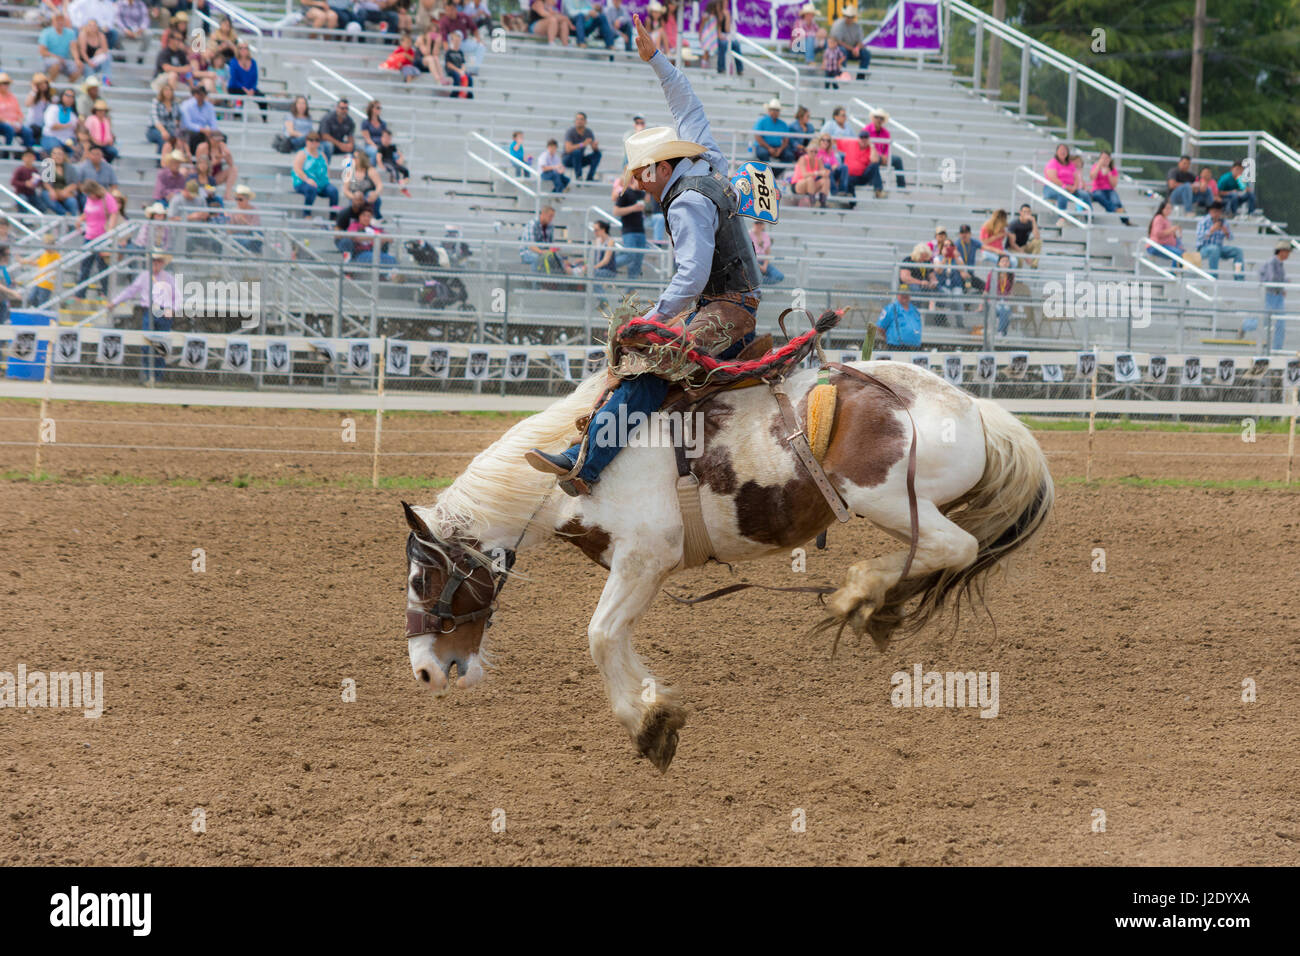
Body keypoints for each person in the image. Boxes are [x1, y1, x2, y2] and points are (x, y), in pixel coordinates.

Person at [525, 15, 762, 496]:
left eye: (641, 173)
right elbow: (686, 100)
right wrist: (656, 59)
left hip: (723, 307)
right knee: (656, 356)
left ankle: (584, 464)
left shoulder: (687, 202)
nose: (636, 182)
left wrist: (652, 320)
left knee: (657, 361)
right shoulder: (708, 160)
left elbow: (693, 274)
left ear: (661, 167)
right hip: (731, 303)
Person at [110, 254, 177, 384]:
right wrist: (115, 302)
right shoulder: (144, 276)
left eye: (158, 261)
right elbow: (130, 291)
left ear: (163, 263)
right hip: (149, 311)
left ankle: (157, 378)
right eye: (154, 261)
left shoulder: (168, 278)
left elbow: (176, 296)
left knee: (161, 347)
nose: (156, 264)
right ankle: (147, 376)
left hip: (164, 313)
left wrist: (172, 309)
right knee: (147, 344)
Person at [76, 179, 121, 296]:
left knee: (102, 267)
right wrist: (80, 219)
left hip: (102, 237)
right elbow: (88, 212)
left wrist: (110, 230)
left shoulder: (106, 198)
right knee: (85, 266)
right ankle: (80, 294)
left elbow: (114, 212)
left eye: (89, 193)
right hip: (89, 236)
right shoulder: (89, 199)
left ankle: (106, 293)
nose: (89, 196)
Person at [612, 169, 648, 281]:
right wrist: (633, 208)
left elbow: (649, 207)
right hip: (629, 230)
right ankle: (607, 265)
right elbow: (616, 211)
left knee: (637, 261)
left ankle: (630, 290)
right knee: (630, 256)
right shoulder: (625, 192)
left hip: (640, 230)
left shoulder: (642, 194)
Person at [291, 132, 339, 216]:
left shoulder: (322, 154)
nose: (314, 142)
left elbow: (326, 168)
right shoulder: (302, 154)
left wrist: (326, 180)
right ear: (307, 141)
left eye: (316, 140)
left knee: (333, 191)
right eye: (311, 140)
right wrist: (307, 179)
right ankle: (307, 214)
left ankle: (333, 217)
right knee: (311, 189)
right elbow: (297, 169)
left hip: (321, 183)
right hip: (304, 183)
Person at [1195, 201, 1245, 280]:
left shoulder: (1224, 222)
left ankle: (1239, 277)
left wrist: (1226, 232)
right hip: (1204, 248)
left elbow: (1230, 238)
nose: (1217, 214)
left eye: (1219, 212)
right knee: (1214, 249)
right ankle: (1214, 276)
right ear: (1210, 211)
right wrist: (1211, 231)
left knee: (1238, 251)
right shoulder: (1203, 221)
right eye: (1215, 212)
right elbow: (1199, 238)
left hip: (1219, 248)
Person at [1255, 241, 1290, 351]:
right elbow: (1271, 279)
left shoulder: (1279, 263)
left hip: (1277, 296)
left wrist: (1281, 287)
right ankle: (1246, 325)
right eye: (1287, 252)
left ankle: (1276, 349)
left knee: (1281, 323)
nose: (1288, 254)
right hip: (1270, 296)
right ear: (1282, 251)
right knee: (1264, 320)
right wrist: (1283, 283)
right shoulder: (1272, 263)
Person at [862, 109, 904, 190]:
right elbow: (863, 146)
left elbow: (887, 147)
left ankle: (901, 186)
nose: (879, 120)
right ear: (873, 118)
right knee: (875, 160)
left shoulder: (886, 132)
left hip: (882, 156)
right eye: (877, 117)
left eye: (881, 118)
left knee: (897, 160)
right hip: (870, 156)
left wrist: (885, 155)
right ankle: (876, 185)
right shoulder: (866, 130)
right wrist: (880, 155)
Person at [1043, 143, 1088, 218]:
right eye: (1061, 150)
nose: (1063, 152)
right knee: (1063, 193)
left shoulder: (1070, 164)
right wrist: (1066, 187)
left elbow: (1076, 177)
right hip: (1053, 188)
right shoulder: (1053, 163)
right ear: (1057, 152)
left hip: (1070, 188)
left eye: (1065, 150)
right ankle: (1062, 218)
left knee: (1084, 194)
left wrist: (1074, 187)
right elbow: (1053, 179)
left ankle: (1089, 217)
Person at [518, 204, 568, 273]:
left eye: (553, 216)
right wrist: (542, 252)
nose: (551, 219)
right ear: (543, 214)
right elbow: (531, 245)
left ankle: (555, 281)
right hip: (528, 252)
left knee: (559, 258)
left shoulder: (550, 226)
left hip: (543, 252)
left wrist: (553, 251)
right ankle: (536, 282)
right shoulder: (532, 224)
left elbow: (550, 244)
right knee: (537, 258)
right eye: (550, 216)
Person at [836, 127, 883, 199]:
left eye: (866, 137)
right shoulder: (851, 143)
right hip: (850, 176)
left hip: (863, 177)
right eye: (862, 137)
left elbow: (875, 161)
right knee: (847, 180)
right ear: (858, 138)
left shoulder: (870, 148)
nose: (863, 139)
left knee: (874, 165)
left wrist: (872, 146)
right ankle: (851, 202)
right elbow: (836, 141)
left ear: (868, 139)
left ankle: (878, 190)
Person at [227, 42, 268, 122]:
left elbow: (255, 79)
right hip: (236, 87)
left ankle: (264, 118)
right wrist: (244, 89)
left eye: (246, 48)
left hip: (250, 88)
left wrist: (252, 89)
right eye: (241, 48)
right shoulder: (233, 62)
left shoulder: (253, 62)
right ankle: (237, 116)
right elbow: (234, 79)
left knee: (262, 97)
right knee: (239, 97)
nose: (243, 50)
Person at [1087, 150, 1130, 224]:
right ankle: (1113, 209)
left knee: (1116, 201)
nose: (1104, 160)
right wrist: (1098, 166)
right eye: (1103, 158)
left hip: (1110, 190)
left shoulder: (1113, 170)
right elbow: (1092, 177)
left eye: (1106, 158)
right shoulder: (1095, 167)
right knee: (1098, 195)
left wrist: (1109, 173)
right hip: (1097, 190)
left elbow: (1114, 185)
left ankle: (1125, 220)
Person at [40, 13, 84, 82]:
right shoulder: (46, 32)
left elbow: (73, 48)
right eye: (58, 20)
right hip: (49, 59)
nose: (60, 22)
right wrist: (57, 57)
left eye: (62, 20)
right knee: (56, 64)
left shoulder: (70, 33)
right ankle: (50, 84)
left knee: (79, 67)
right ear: (53, 21)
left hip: (64, 60)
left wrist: (77, 59)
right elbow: (42, 51)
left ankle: (69, 87)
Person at [829, 3, 869, 79]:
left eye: (851, 17)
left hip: (852, 50)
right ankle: (842, 74)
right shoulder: (839, 25)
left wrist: (856, 49)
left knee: (866, 54)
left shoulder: (857, 27)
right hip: (843, 49)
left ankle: (861, 76)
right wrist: (853, 49)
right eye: (848, 16)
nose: (849, 18)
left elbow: (860, 41)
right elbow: (838, 41)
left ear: (853, 17)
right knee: (842, 51)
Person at [342, 149, 384, 218]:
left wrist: (375, 193)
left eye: (355, 158)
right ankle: (354, 220)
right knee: (354, 201)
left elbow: (379, 185)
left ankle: (376, 218)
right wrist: (354, 197)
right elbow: (345, 190)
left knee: (375, 197)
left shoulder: (370, 170)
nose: (353, 159)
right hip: (355, 197)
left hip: (368, 197)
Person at [753, 98, 795, 166]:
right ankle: (771, 172)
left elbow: (786, 140)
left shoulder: (783, 124)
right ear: (769, 110)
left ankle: (773, 173)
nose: (775, 112)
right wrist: (769, 148)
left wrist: (780, 149)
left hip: (777, 147)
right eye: (773, 110)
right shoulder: (762, 121)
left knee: (789, 156)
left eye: (777, 110)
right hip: (763, 146)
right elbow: (758, 137)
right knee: (763, 154)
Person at [179, 84, 219, 153]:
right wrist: (202, 129)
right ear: (194, 94)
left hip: (205, 131)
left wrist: (212, 130)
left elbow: (213, 123)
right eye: (198, 94)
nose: (200, 96)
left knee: (220, 136)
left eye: (202, 94)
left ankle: (215, 157)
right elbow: (187, 124)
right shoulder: (186, 105)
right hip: (190, 130)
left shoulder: (209, 106)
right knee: (197, 136)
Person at [41, 145, 80, 215]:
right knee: (47, 195)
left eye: (59, 154)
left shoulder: (70, 167)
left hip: (66, 192)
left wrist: (66, 190)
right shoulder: (47, 167)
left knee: (72, 201)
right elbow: (45, 182)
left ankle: (73, 222)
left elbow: (75, 183)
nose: (57, 156)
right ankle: (65, 214)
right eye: (54, 154)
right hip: (53, 192)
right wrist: (51, 190)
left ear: (63, 155)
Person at [563, 111, 601, 182]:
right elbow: (568, 149)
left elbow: (594, 149)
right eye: (577, 119)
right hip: (568, 159)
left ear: (585, 121)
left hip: (579, 160)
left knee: (598, 154)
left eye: (581, 119)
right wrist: (582, 144)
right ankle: (579, 177)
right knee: (577, 152)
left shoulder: (588, 132)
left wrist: (595, 146)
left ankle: (590, 177)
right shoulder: (570, 131)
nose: (579, 121)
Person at [0, 74, 35, 150]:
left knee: (28, 131)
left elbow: (19, 113)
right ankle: (6, 152)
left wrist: (18, 124)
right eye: (4, 83)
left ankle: (26, 154)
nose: (7, 86)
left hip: (13, 124)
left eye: (7, 83)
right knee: (9, 129)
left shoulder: (12, 97)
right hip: (2, 124)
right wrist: (9, 122)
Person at [147, 83, 182, 155]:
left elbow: (178, 118)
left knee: (180, 141)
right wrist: (163, 131)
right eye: (166, 90)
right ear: (162, 92)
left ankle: (175, 161)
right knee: (163, 138)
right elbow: (155, 119)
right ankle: (161, 162)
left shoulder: (175, 104)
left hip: (171, 129)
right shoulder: (156, 102)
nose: (168, 92)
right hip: (155, 129)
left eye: (170, 90)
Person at [41, 87, 80, 153]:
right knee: (58, 151)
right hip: (51, 137)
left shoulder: (73, 113)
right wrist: (68, 125)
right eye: (67, 96)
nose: (70, 99)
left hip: (68, 139)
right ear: (62, 96)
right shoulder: (53, 108)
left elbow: (75, 130)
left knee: (79, 149)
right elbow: (52, 126)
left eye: (72, 97)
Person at [791, 142, 829, 207]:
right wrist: (818, 172)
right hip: (798, 184)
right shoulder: (803, 158)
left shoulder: (818, 160)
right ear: (807, 151)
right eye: (811, 151)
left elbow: (823, 173)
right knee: (810, 179)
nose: (814, 153)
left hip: (810, 186)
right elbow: (804, 175)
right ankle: (812, 203)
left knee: (826, 180)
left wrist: (826, 172)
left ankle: (823, 203)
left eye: (816, 152)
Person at [1146, 198, 1183, 263]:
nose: (1169, 210)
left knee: (1182, 253)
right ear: (1162, 209)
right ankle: (1174, 272)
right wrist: (1172, 229)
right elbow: (1158, 233)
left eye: (1170, 208)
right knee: (1178, 254)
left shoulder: (1166, 219)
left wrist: (1175, 233)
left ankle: (1176, 271)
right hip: (1156, 245)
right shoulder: (1159, 218)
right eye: (1167, 208)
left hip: (1165, 245)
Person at [318, 97, 354, 162]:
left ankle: (350, 169)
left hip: (339, 143)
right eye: (342, 108)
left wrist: (350, 144)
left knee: (356, 148)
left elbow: (350, 136)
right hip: (324, 143)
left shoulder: (349, 120)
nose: (344, 110)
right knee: (328, 146)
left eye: (346, 108)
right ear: (337, 108)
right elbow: (324, 136)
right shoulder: (328, 118)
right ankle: (326, 167)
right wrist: (340, 144)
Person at [590, 218, 617, 304]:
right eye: (594, 230)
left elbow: (606, 260)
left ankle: (603, 299)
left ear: (603, 230)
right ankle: (601, 300)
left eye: (596, 230)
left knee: (591, 274)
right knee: (588, 274)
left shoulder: (610, 241)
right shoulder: (596, 241)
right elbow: (592, 257)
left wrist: (592, 268)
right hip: (598, 269)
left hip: (608, 270)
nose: (595, 232)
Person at [116, 0, 152, 66]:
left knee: (149, 34)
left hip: (138, 29)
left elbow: (145, 18)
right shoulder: (120, 3)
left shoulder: (140, 4)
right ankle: (121, 56)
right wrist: (125, 30)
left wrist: (141, 28)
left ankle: (141, 56)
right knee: (116, 34)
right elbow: (118, 19)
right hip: (125, 29)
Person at [377, 129, 412, 196]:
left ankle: (404, 181)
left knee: (405, 170)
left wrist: (401, 158)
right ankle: (400, 183)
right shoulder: (381, 147)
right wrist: (381, 165)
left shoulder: (392, 147)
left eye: (388, 138)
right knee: (394, 169)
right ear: (382, 138)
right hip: (386, 162)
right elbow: (378, 157)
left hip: (393, 162)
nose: (386, 140)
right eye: (385, 137)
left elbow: (400, 154)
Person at [710, 0, 741, 75]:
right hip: (714, 36)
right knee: (723, 44)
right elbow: (715, 28)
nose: (726, 4)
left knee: (736, 44)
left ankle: (740, 69)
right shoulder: (715, 13)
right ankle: (721, 68)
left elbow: (727, 29)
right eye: (724, 2)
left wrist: (727, 17)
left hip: (725, 36)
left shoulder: (726, 13)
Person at [988, 254, 1016, 335]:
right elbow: (986, 290)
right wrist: (981, 305)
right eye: (1003, 261)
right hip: (995, 301)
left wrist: (1011, 297)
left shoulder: (1011, 275)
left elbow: (1011, 291)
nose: (1005, 263)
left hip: (1005, 301)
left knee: (1006, 309)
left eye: (1007, 261)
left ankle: (1000, 332)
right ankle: (1002, 333)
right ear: (998, 263)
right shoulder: (992, 274)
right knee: (1004, 310)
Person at [1006, 204, 1041, 268]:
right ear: (1020, 212)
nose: (1027, 213)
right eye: (1025, 212)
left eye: (1028, 212)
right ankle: (1018, 274)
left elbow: (1037, 237)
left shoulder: (1030, 223)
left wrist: (1033, 221)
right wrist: (1025, 255)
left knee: (1038, 242)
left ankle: (1034, 266)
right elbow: (1012, 244)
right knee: (1020, 258)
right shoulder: (1014, 224)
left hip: (1023, 246)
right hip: (1013, 248)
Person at [750, 220, 783, 284]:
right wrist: (759, 266)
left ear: (763, 225)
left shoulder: (766, 236)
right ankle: (757, 283)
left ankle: (758, 282)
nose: (759, 225)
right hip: (752, 263)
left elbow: (767, 253)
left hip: (763, 262)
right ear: (753, 224)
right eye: (757, 223)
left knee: (779, 276)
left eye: (761, 223)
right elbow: (748, 254)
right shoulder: (748, 235)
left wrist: (764, 266)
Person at [444, 30, 474, 99]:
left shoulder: (460, 52)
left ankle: (469, 94)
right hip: (452, 70)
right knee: (457, 77)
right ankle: (454, 94)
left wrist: (462, 70)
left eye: (459, 41)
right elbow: (449, 64)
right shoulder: (449, 52)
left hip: (460, 70)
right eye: (456, 41)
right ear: (452, 41)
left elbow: (463, 63)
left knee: (469, 78)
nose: (457, 43)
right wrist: (458, 70)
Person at [85, 98, 117, 162]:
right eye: (99, 110)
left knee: (113, 152)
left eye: (103, 110)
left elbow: (109, 133)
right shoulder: (91, 119)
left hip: (105, 144)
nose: (101, 112)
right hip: (94, 144)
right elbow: (87, 132)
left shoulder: (106, 120)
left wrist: (110, 140)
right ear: (95, 111)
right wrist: (95, 141)